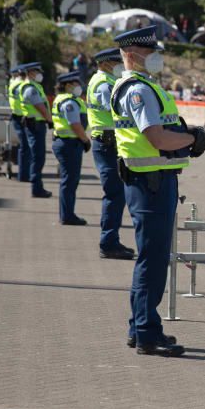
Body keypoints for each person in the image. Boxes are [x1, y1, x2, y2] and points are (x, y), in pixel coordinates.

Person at [110, 25, 205, 357]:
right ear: (131, 55)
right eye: (151, 54)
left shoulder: (144, 86)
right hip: (149, 183)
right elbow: (157, 138)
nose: (156, 59)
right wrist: (193, 139)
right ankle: (147, 334)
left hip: (152, 181)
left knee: (151, 258)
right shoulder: (137, 90)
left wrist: (186, 137)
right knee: (152, 260)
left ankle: (138, 326)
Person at [87, 48, 135, 259]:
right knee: (114, 195)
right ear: (106, 63)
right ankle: (108, 243)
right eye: (117, 62)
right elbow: (116, 108)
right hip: (107, 144)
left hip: (107, 143)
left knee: (116, 195)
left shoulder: (100, 80)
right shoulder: (103, 83)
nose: (120, 65)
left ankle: (110, 240)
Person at [51, 71, 91, 225]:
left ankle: (67, 213)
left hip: (65, 142)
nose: (79, 87)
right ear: (67, 86)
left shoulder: (62, 99)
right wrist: (85, 140)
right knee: (70, 181)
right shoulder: (69, 103)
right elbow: (75, 125)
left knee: (68, 180)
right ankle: (67, 215)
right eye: (76, 84)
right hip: (69, 143)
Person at [16, 62, 53, 198]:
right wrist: (50, 120)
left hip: (36, 125)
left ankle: (37, 186)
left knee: (37, 156)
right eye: (38, 72)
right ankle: (36, 187)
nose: (40, 75)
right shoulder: (30, 89)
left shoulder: (33, 86)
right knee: (38, 157)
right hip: (35, 126)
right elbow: (40, 107)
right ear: (31, 73)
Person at [6, 65, 31, 182]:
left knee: (24, 146)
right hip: (24, 117)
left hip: (16, 116)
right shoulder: (23, 86)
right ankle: (24, 174)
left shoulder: (13, 84)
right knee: (26, 146)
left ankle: (23, 173)